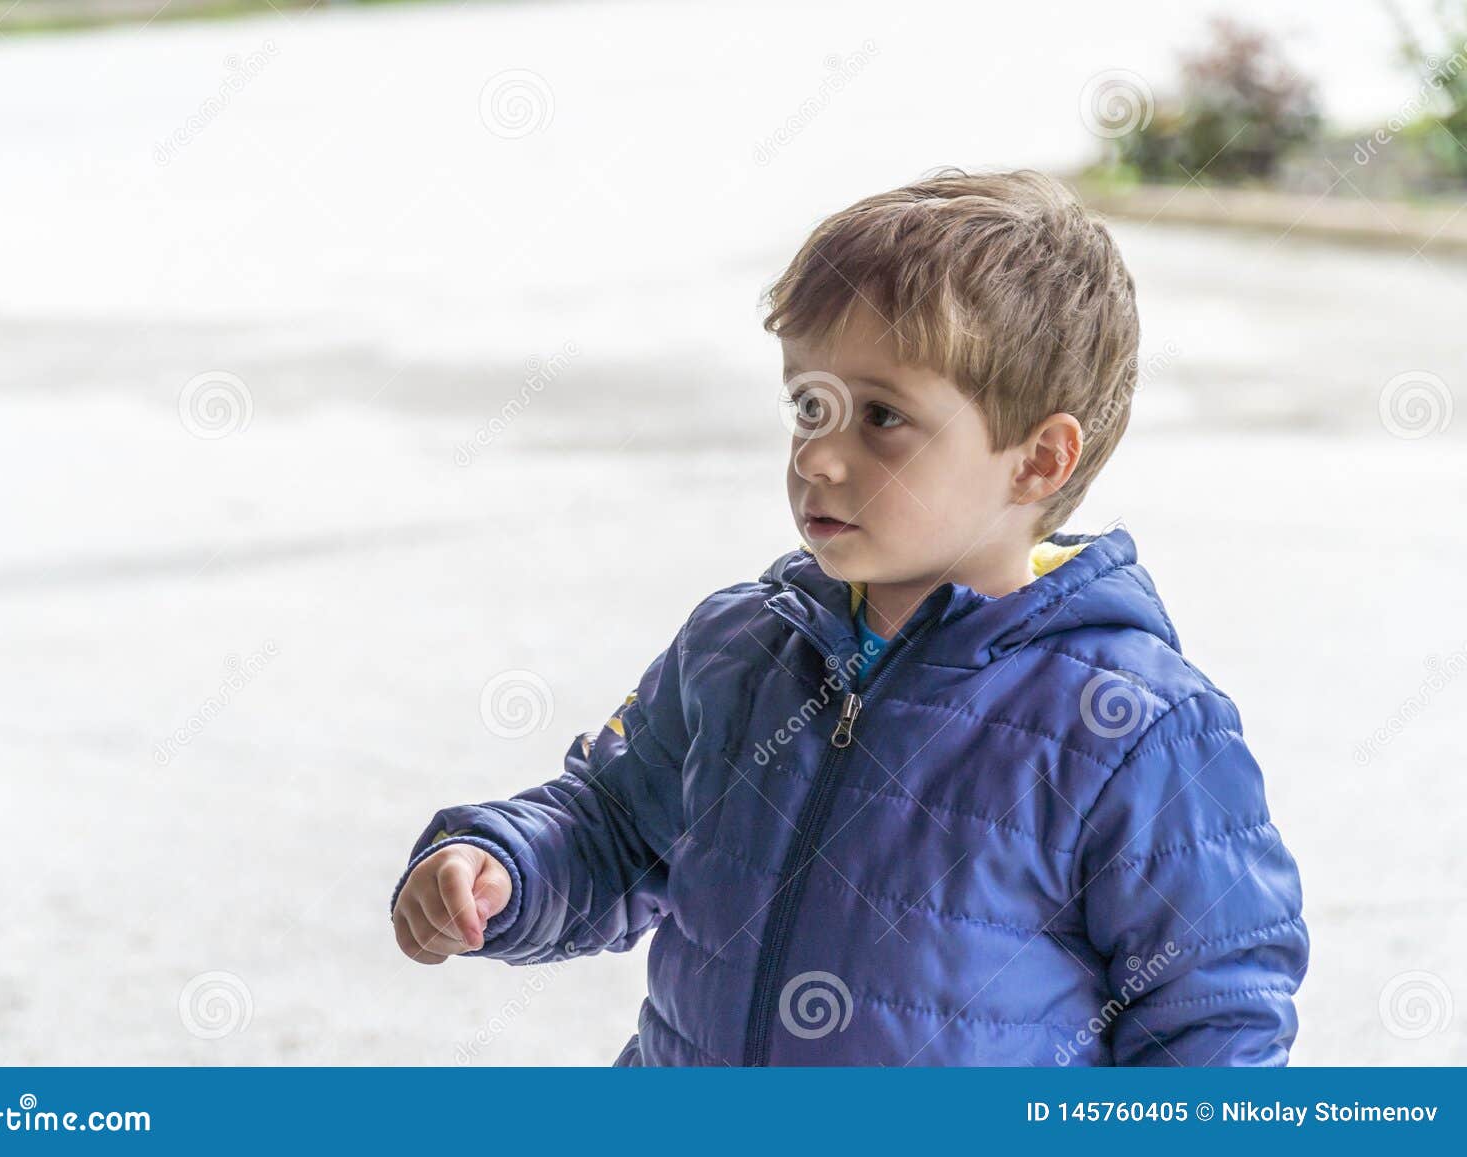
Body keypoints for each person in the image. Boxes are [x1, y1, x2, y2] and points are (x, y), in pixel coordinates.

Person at [389, 169, 1309, 1066]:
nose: (820, 457)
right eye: (808, 404)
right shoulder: (740, 650)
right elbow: (612, 828)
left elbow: (1212, 1017)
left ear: (1037, 461)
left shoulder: (1128, 726)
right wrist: (500, 866)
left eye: (882, 417)